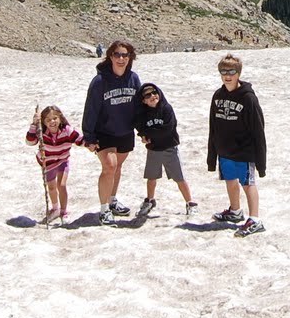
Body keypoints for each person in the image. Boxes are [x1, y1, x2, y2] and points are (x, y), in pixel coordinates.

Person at [206, 53, 266, 238]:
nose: (227, 75)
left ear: (238, 73)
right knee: (230, 180)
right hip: (224, 150)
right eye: (223, 72)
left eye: (231, 72)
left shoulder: (248, 98)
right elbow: (213, 126)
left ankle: (254, 219)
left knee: (247, 184)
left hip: (244, 151)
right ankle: (235, 211)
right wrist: (212, 155)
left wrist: (261, 162)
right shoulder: (217, 96)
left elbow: (258, 129)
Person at [82, 39, 141, 225]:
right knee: (109, 166)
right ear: (110, 57)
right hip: (104, 132)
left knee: (117, 166)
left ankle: (112, 200)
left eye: (125, 55)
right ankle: (104, 209)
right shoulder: (100, 81)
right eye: (117, 55)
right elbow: (90, 109)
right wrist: (89, 137)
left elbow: (139, 107)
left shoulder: (133, 79)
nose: (121, 59)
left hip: (125, 130)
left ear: (130, 57)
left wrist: (144, 130)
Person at [133, 82, 198, 218]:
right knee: (151, 177)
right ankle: (150, 200)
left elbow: (167, 129)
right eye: (148, 95)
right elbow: (139, 126)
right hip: (154, 149)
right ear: (143, 100)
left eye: (154, 93)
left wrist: (149, 133)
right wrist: (143, 135)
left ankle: (190, 203)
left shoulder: (166, 109)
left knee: (179, 177)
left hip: (170, 148)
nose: (152, 96)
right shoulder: (143, 113)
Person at [26, 105, 84, 225]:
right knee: (51, 187)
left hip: (62, 160)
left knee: (61, 185)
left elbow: (79, 140)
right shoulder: (42, 133)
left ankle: (63, 211)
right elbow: (30, 142)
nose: (52, 122)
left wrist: (92, 144)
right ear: (44, 122)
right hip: (48, 162)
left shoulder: (67, 130)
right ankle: (55, 208)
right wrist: (34, 124)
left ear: (60, 118)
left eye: (55, 118)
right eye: (48, 120)